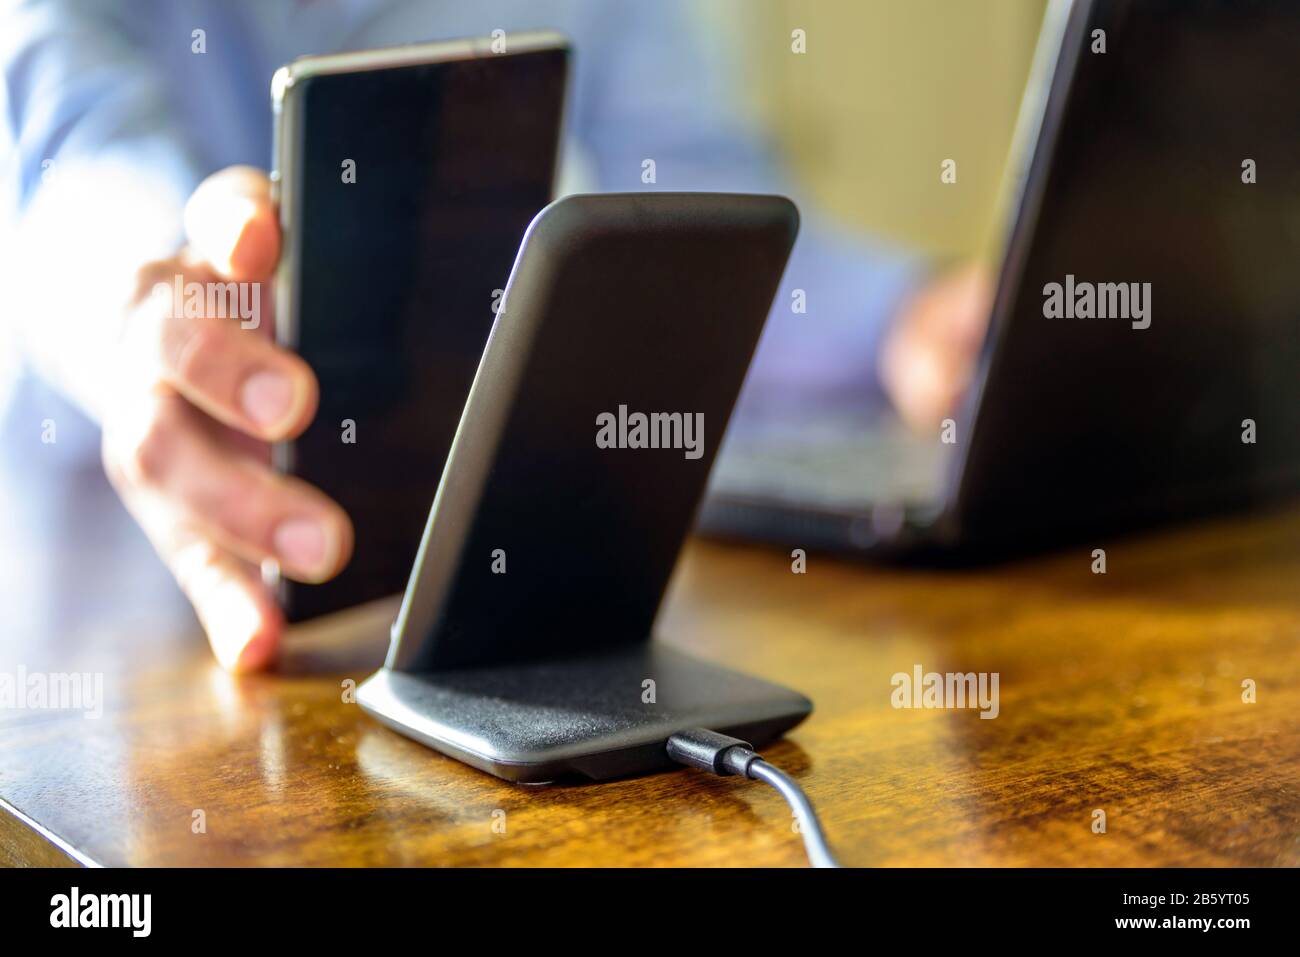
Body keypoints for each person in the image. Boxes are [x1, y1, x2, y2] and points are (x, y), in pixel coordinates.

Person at [1, 0, 991, 670]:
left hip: (499, 559)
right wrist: (146, 300)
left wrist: (900, 317)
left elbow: (690, 201)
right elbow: (65, 131)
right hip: (99, 586)